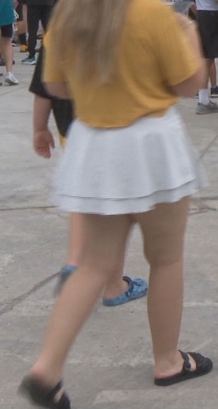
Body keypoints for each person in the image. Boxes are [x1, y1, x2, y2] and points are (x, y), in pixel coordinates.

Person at [20, 0, 212, 408]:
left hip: (94, 145)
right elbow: (189, 85)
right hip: (151, 147)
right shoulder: (154, 15)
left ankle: (47, 367)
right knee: (165, 258)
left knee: (92, 265)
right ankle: (167, 360)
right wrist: (192, 38)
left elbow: (56, 86)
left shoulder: (67, 13)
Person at [30, 48, 148, 307]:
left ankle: (74, 261)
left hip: (72, 132)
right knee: (114, 208)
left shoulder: (60, 27)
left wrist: (39, 129)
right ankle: (114, 285)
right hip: (113, 127)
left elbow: (43, 88)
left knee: (82, 200)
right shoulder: (123, 19)